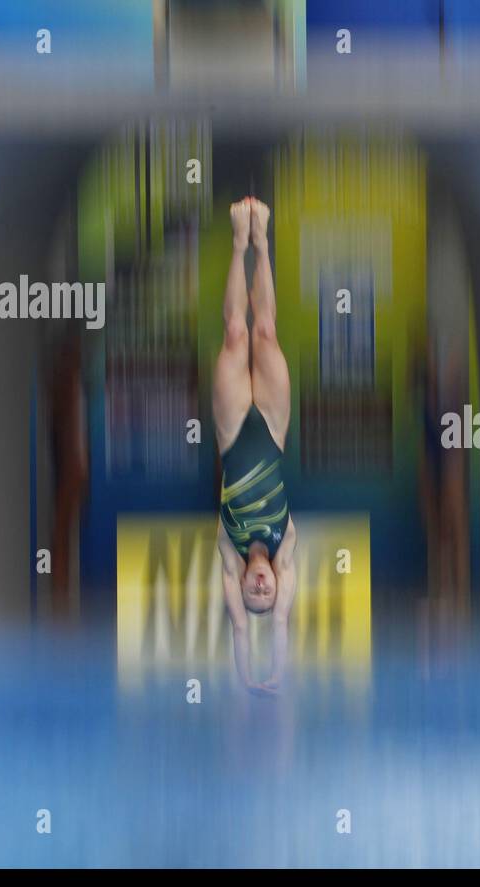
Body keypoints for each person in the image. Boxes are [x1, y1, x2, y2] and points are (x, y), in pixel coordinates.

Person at [213, 197, 297, 694]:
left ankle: (237, 243)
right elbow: (278, 625)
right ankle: (262, 243)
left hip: (229, 431)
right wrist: (278, 673)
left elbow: (241, 625)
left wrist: (246, 677)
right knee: (264, 332)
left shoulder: (228, 548)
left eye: (253, 593)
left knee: (234, 334)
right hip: (272, 426)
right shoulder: (288, 546)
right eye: (268, 593)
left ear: (242, 584)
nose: (261, 588)